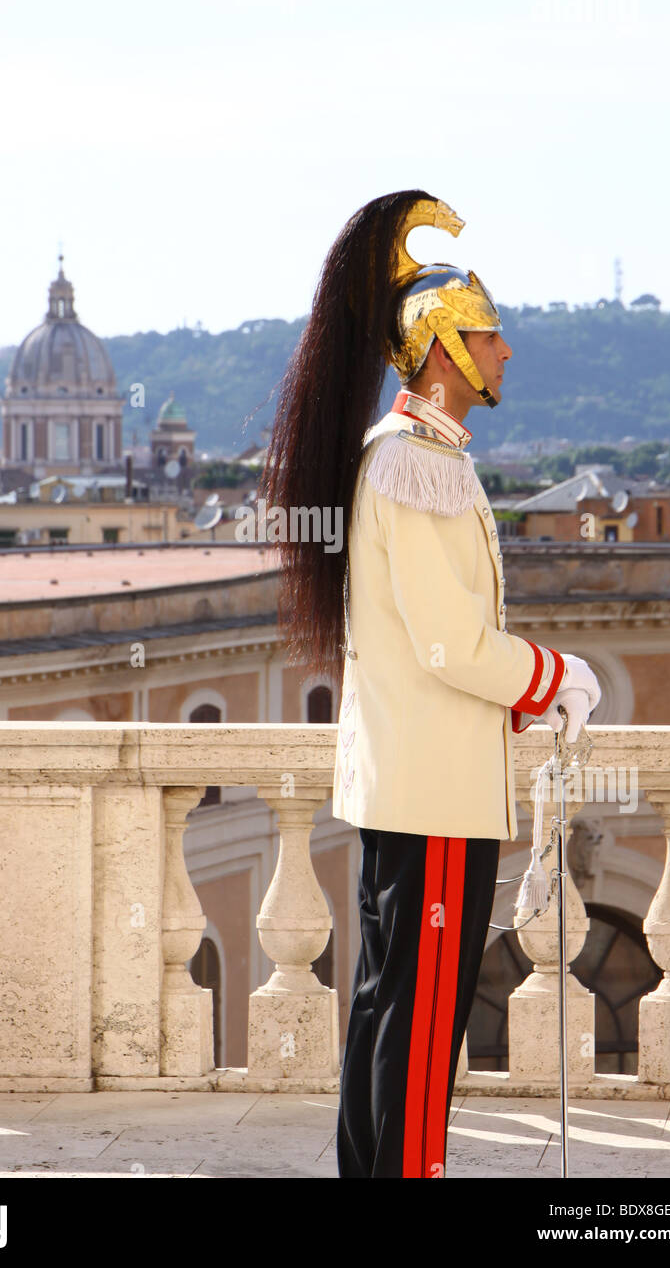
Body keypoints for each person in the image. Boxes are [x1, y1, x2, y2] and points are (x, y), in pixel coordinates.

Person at [262, 190, 601, 1179]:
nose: (503, 354)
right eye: (489, 337)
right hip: (433, 795)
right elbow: (451, 644)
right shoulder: (413, 466)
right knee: (417, 1024)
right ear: (446, 349)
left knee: (390, 1007)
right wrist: (552, 673)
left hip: (415, 786)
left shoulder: (418, 458)